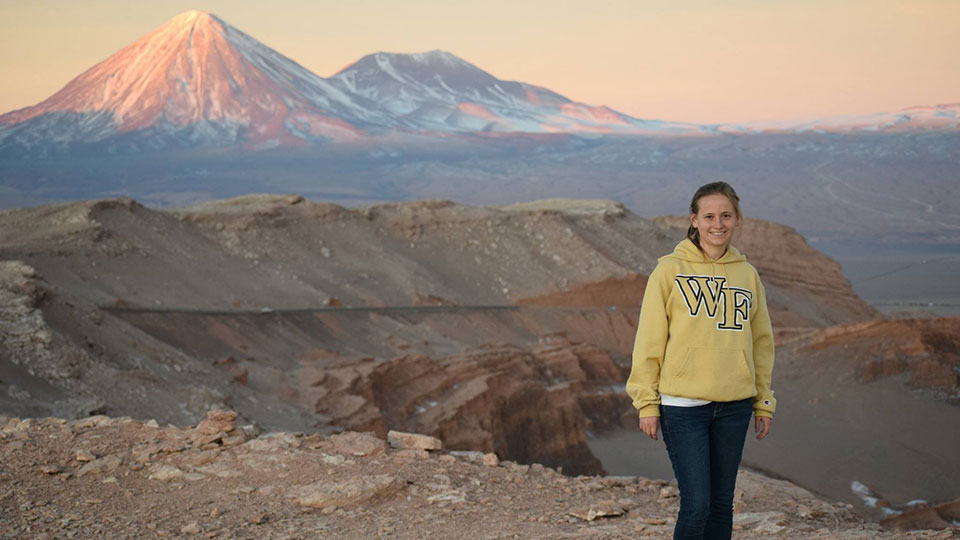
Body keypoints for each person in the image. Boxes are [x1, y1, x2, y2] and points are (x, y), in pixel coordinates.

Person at [626, 181, 775, 540]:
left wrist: (763, 401)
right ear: (694, 220)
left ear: (737, 219)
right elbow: (649, 339)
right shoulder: (669, 271)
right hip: (683, 406)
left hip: (735, 404)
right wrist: (646, 402)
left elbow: (761, 343)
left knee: (723, 504)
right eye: (709, 216)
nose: (717, 224)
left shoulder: (747, 274)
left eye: (726, 215)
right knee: (697, 506)